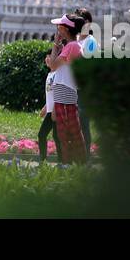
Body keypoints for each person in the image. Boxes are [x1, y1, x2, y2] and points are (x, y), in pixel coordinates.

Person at [41, 14, 88, 164]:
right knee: (66, 134)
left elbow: (53, 66)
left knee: (68, 133)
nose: (57, 30)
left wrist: (56, 45)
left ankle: (72, 164)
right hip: (64, 94)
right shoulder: (71, 46)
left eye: (59, 27)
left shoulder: (72, 46)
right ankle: (72, 164)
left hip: (65, 94)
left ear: (65, 29)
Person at [73, 6, 97, 153]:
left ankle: (86, 155)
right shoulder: (74, 39)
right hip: (71, 86)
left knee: (83, 122)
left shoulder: (91, 41)